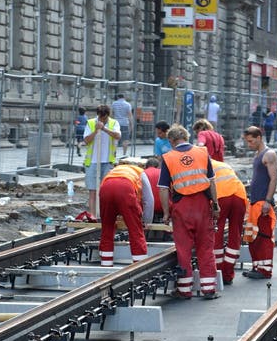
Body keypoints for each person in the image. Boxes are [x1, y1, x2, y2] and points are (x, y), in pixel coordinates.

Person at [158, 124, 220, 300]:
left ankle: (185, 289)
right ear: (186, 136)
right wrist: (215, 205)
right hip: (202, 204)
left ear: (171, 140)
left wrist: (166, 213)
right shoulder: (202, 152)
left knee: (183, 248)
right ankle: (209, 289)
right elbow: (212, 182)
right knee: (206, 247)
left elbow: (163, 189)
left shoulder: (168, 158)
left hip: (182, 207)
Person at [98, 160, 154, 266]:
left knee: (107, 228)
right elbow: (149, 200)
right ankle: (139, 264)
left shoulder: (114, 171)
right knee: (135, 230)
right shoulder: (140, 172)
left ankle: (106, 263)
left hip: (105, 189)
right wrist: (147, 221)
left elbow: (109, 193)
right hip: (125, 189)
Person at [242, 125, 277, 280]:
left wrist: (268, 201)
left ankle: (265, 270)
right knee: (254, 237)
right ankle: (257, 266)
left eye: (251, 141)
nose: (249, 144)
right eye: (247, 142)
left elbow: (274, 178)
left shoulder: (268, 155)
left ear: (259, 138)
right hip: (255, 202)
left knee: (263, 237)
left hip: (263, 203)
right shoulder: (258, 155)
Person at [211, 159, 248, 285]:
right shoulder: (222, 164)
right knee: (235, 234)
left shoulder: (200, 165)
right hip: (239, 195)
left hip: (221, 197)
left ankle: (218, 270)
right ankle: (228, 273)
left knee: (217, 232)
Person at [82, 104, 121, 217]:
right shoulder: (91, 123)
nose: (101, 120)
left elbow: (117, 136)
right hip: (92, 162)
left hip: (107, 162)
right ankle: (93, 216)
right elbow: (86, 140)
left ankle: (105, 215)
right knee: (93, 190)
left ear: (108, 115)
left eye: (104, 118)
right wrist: (96, 130)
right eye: (100, 118)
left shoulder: (114, 123)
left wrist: (104, 128)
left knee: (106, 191)